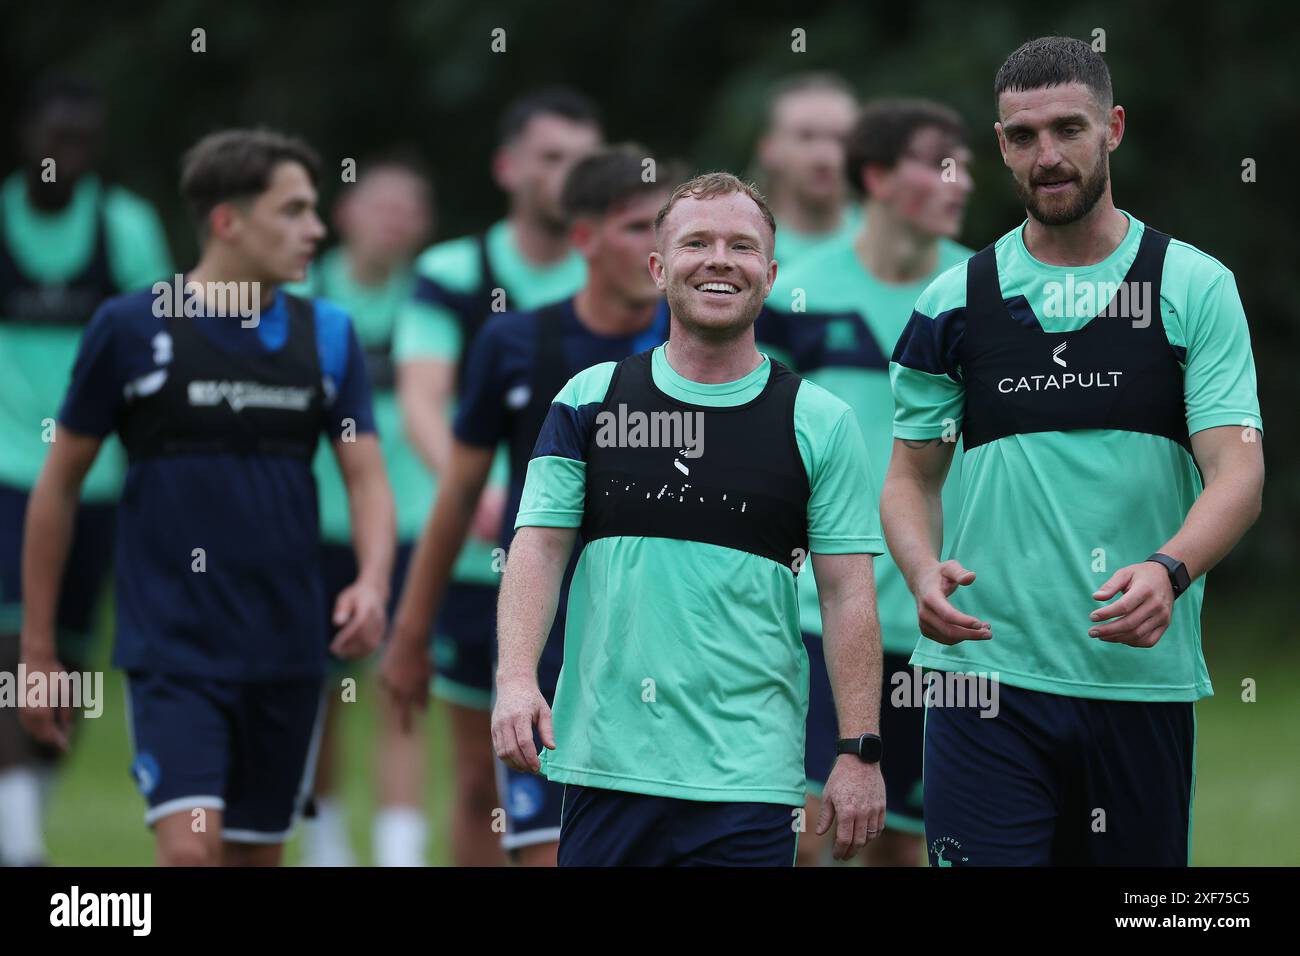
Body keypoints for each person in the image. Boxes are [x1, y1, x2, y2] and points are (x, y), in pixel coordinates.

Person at [883, 36, 1264, 866]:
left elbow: (1238, 475)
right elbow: (910, 477)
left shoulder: (1192, 285)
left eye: (1069, 128)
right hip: (980, 681)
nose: (1047, 156)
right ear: (999, 147)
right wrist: (919, 570)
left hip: (1137, 682)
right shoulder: (953, 302)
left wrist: (1170, 569)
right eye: (1023, 137)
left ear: (1113, 128)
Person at [19, 129, 395, 866]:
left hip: (288, 651)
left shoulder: (328, 335)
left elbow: (366, 476)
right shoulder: (130, 329)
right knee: (192, 852)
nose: (316, 230)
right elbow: (58, 486)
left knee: (253, 857)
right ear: (228, 220)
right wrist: (37, 652)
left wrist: (374, 581)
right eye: (293, 211)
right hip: (172, 650)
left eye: (315, 210)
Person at [492, 172, 887, 866]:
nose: (718, 260)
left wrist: (857, 749)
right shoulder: (591, 399)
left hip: (750, 781)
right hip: (605, 765)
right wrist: (516, 680)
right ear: (658, 267)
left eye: (741, 246)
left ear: (769, 273)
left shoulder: (819, 422)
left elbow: (847, 591)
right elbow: (539, 549)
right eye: (696, 242)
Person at [382, 145, 677, 866]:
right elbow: (457, 492)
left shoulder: (700, 343)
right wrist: (412, 631)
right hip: (543, 641)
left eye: (668, 229)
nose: (659, 249)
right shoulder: (514, 343)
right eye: (639, 227)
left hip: (663, 644)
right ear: (584, 238)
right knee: (505, 811)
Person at [388, 87, 602, 866]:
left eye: (583, 158)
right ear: (508, 167)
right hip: (483, 564)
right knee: (485, 775)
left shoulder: (620, 273)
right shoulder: (454, 272)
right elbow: (421, 394)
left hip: (592, 573)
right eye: (551, 157)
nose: (568, 173)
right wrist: (474, 486)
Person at [760, 98, 975, 866]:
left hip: (940, 608)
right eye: (940, 164)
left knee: (903, 842)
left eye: (967, 168)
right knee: (812, 834)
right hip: (820, 608)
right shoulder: (794, 295)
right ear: (879, 176)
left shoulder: (985, 291)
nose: (962, 183)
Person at [0, 75, 172, 866]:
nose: (63, 156)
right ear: (25, 138)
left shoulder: (125, 229)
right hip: (5, 471)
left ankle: (25, 809)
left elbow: (155, 354)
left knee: (67, 659)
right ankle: (20, 840)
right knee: (11, 643)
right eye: (52, 138)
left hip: (93, 481)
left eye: (81, 142)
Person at [290, 155, 434, 867]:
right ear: (343, 214)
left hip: (410, 525)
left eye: (410, 207)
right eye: (382, 204)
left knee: (400, 688)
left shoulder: (432, 303)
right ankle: (324, 843)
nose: (395, 219)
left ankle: (398, 851)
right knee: (316, 694)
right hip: (315, 526)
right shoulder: (305, 295)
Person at [754, 73, 860, 267]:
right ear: (769, 149)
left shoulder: (891, 245)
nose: (825, 156)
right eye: (806, 137)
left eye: (840, 139)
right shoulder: (742, 249)